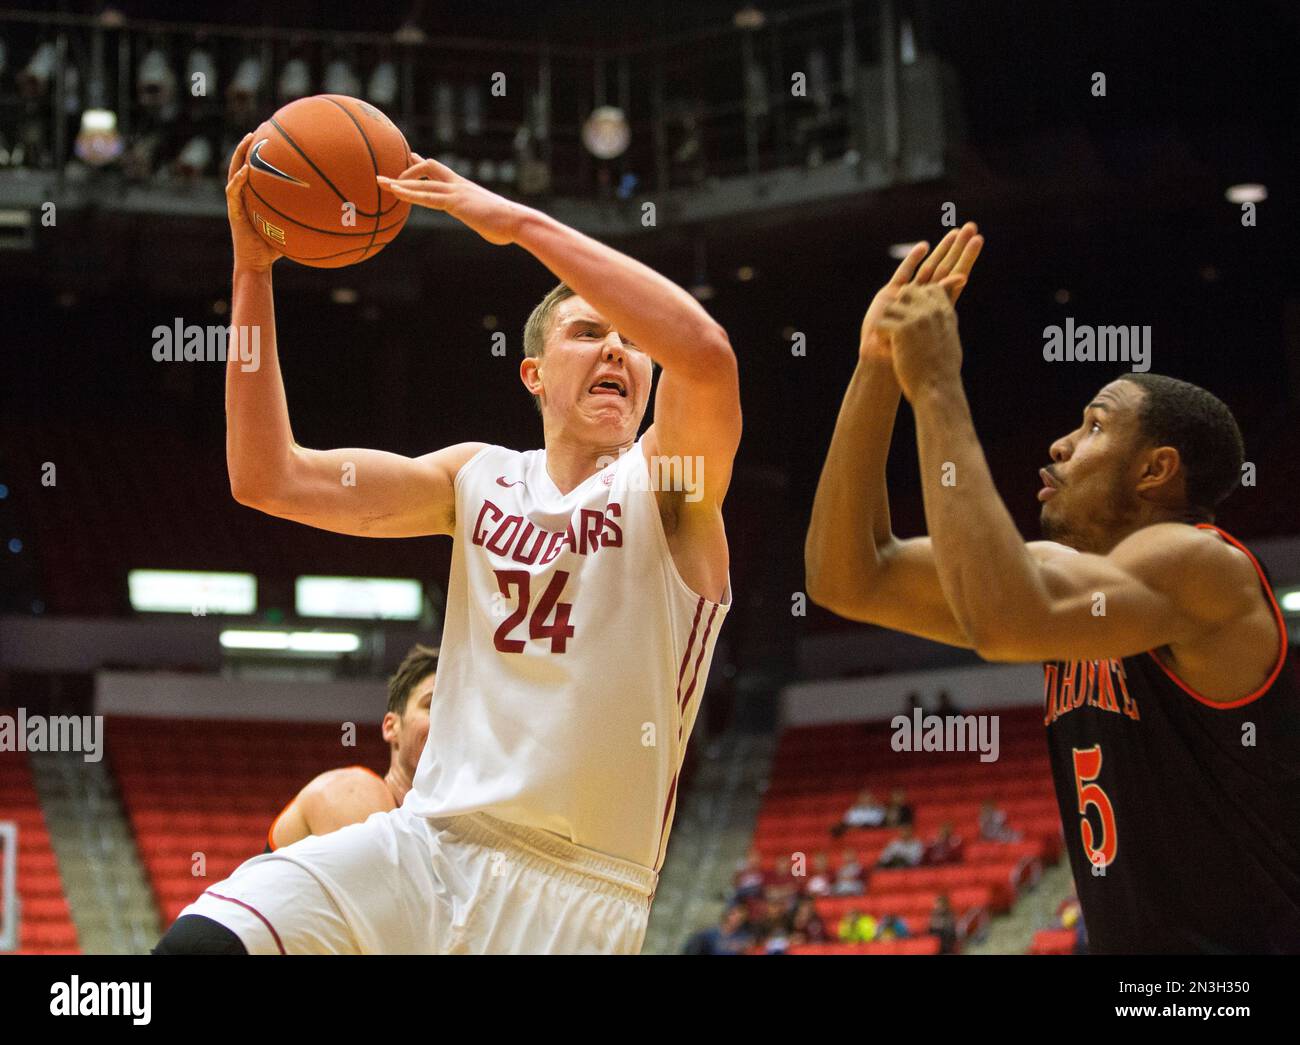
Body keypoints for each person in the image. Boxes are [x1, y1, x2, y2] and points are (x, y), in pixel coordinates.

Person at [155, 138, 740, 955]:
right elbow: (268, 475)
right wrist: (254, 269)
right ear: (532, 373)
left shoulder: (671, 485)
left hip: (577, 894)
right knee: (199, 945)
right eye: (587, 332)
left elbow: (706, 355)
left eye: (631, 343)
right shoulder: (475, 477)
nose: (616, 348)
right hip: (426, 849)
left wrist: (515, 222)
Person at [806, 224, 1300, 954]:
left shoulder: (1203, 569)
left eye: (1094, 425)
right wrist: (876, 366)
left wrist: (937, 383)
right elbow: (847, 575)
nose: (1060, 443)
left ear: (1156, 470)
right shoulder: (1069, 581)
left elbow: (1005, 620)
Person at [266, 645, 437, 851]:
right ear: (391, 727)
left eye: (457, 709)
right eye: (432, 705)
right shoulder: (353, 791)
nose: (449, 719)